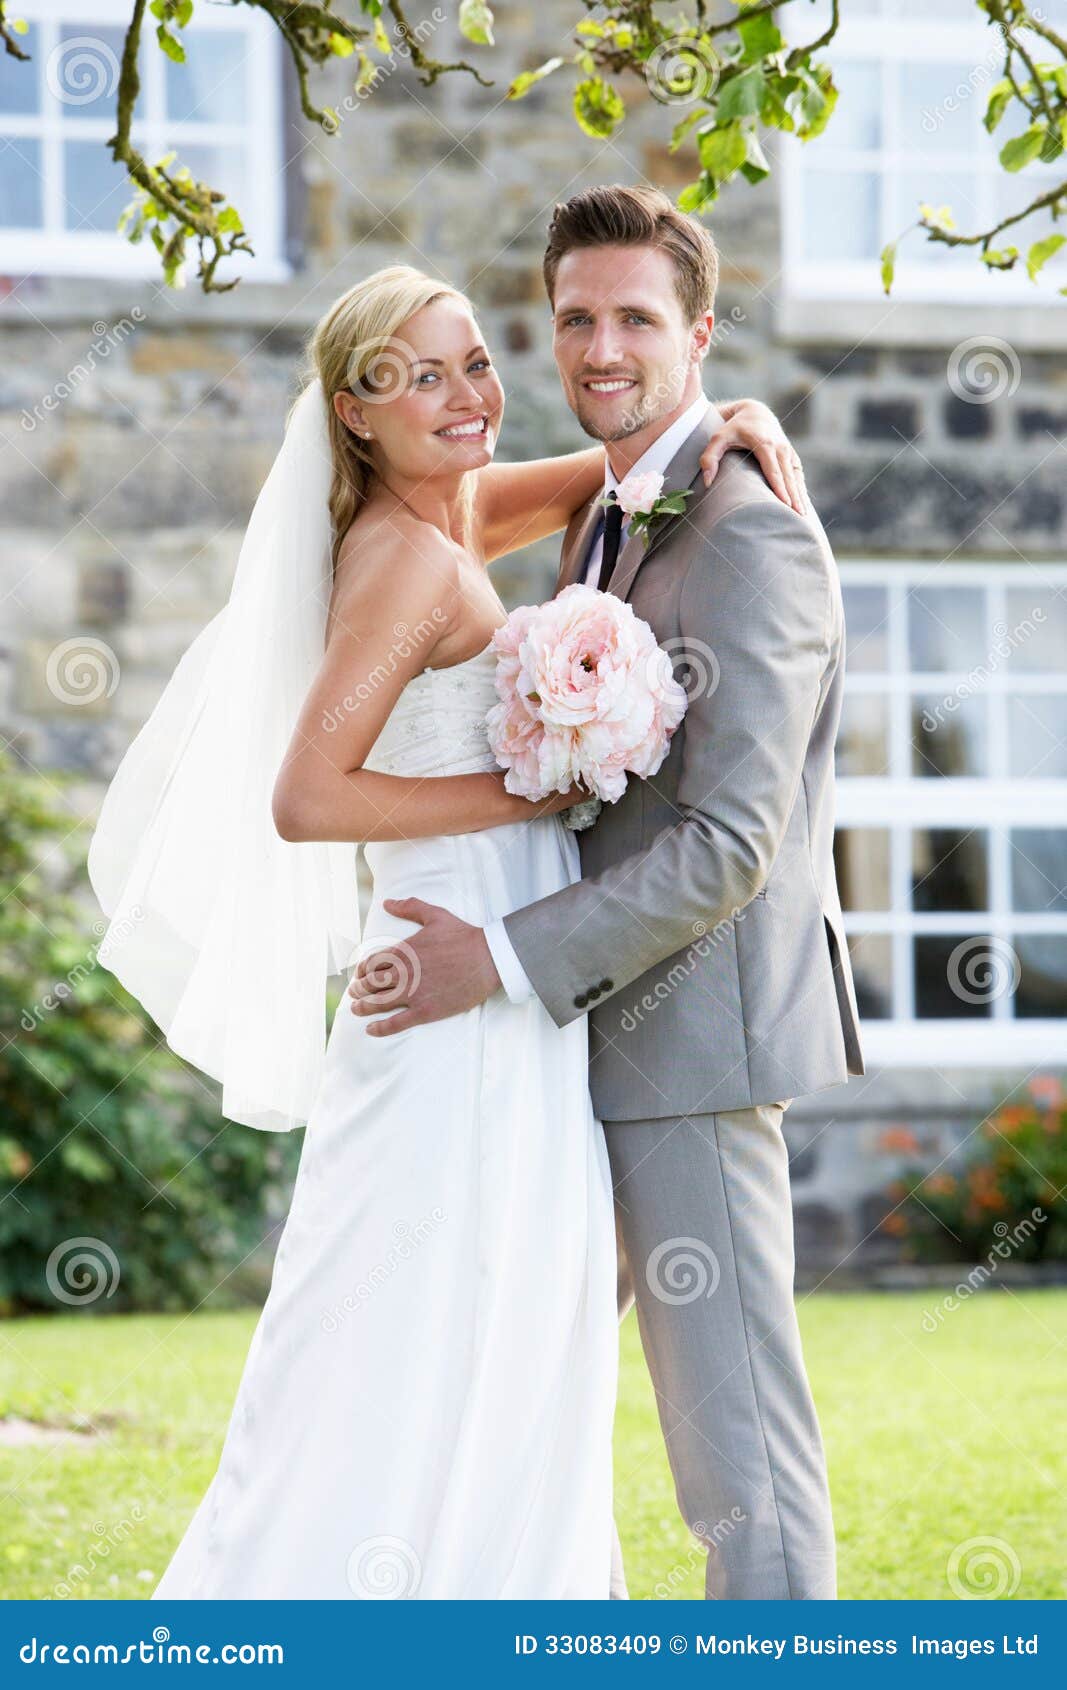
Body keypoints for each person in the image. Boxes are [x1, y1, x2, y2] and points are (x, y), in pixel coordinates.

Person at [89, 256, 801, 1599]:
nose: (464, 393)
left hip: (507, 963)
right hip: (455, 963)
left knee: (502, 1302)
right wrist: (543, 771)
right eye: (416, 375)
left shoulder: (445, 516)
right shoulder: (407, 558)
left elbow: (609, 473)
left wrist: (722, 424)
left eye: (473, 359)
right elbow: (307, 795)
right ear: (354, 412)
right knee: (419, 1306)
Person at [349, 189, 866, 1601]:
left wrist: (500, 958)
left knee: (737, 1450)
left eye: (636, 317)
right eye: (577, 317)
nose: (601, 346)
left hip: (694, 1046)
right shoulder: (616, 510)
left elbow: (730, 842)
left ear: (697, 332)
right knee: (532, 1393)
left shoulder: (747, 533)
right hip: (595, 1038)